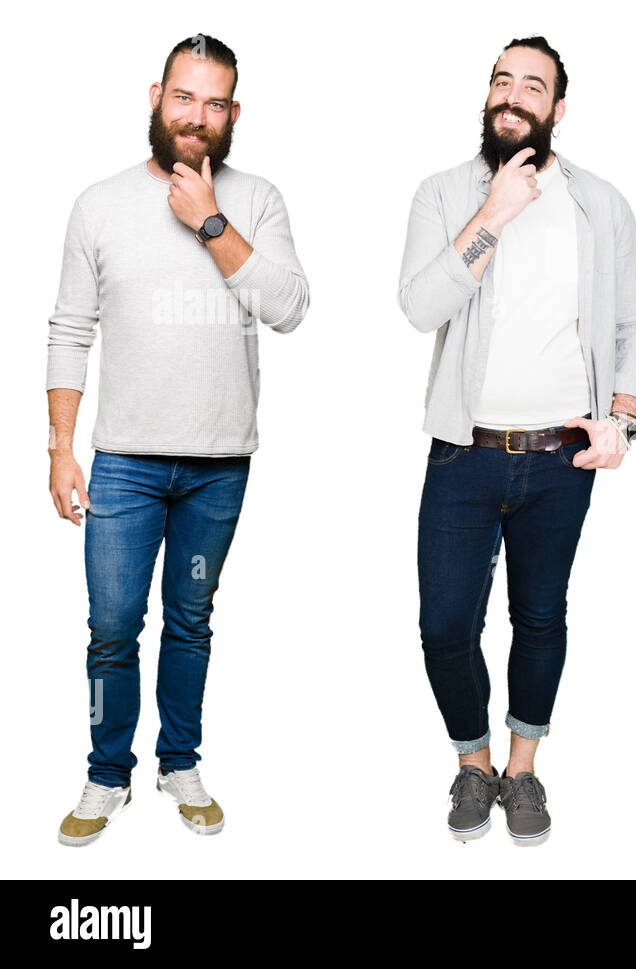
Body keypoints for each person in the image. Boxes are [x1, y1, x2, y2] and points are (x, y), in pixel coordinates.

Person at [48, 33, 310, 845]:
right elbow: (68, 328)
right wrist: (61, 445)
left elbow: (290, 306)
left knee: (190, 620)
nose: (197, 119)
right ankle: (105, 773)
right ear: (157, 94)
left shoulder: (256, 200)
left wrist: (211, 222)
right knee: (112, 625)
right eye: (184, 98)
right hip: (123, 464)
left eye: (215, 104)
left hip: (217, 465)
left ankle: (180, 760)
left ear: (235, 113)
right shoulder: (98, 203)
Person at [398, 36, 636, 845]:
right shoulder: (445, 194)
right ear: (488, 97)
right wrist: (494, 214)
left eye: (532, 86)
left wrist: (623, 418)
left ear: (557, 109)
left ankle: (523, 770)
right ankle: (471, 762)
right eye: (501, 81)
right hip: (463, 452)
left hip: (559, 457)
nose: (513, 96)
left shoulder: (600, 203)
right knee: (445, 624)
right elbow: (419, 305)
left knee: (540, 615)